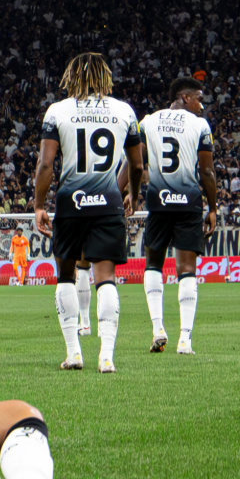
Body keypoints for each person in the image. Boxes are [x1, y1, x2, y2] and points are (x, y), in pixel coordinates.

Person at [33, 52, 142, 373]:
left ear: (72, 77)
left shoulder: (57, 111)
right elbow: (136, 164)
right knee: (105, 277)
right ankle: (106, 355)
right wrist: (133, 196)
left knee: (66, 274)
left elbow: (45, 164)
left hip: (71, 202)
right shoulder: (124, 111)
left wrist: (39, 205)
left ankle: (74, 353)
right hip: (108, 202)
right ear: (104, 77)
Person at [137, 77, 217, 356]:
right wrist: (213, 208)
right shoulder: (200, 126)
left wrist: (126, 191)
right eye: (199, 98)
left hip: (158, 202)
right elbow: (206, 172)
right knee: (186, 270)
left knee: (153, 264)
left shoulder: (148, 121)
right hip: (188, 204)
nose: (202, 105)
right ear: (184, 97)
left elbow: (135, 161)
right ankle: (185, 340)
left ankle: (158, 328)